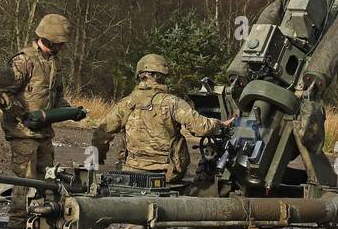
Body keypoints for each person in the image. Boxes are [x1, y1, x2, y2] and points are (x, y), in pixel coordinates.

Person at [0, 13, 85, 229]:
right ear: (50, 39)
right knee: (24, 181)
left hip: (44, 132)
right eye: (60, 42)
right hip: (22, 132)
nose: (63, 46)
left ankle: (44, 224)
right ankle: (16, 226)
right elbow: (3, 94)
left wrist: (71, 111)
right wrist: (23, 115)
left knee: (48, 180)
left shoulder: (54, 62)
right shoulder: (23, 60)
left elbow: (57, 96)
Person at [91, 54, 233, 183]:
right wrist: (221, 124)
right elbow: (202, 127)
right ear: (160, 76)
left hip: (131, 171)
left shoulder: (126, 103)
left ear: (140, 76)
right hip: (167, 174)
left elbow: (101, 133)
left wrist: (99, 156)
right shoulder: (173, 103)